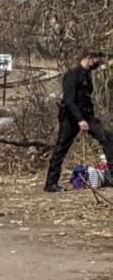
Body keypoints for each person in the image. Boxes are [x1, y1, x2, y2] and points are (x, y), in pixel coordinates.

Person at [43, 51, 111, 189]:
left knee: (107, 138)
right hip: (71, 117)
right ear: (89, 58)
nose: (98, 63)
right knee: (61, 149)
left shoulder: (87, 75)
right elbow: (69, 100)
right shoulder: (72, 75)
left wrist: (87, 118)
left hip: (87, 116)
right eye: (96, 60)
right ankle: (51, 183)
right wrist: (80, 120)